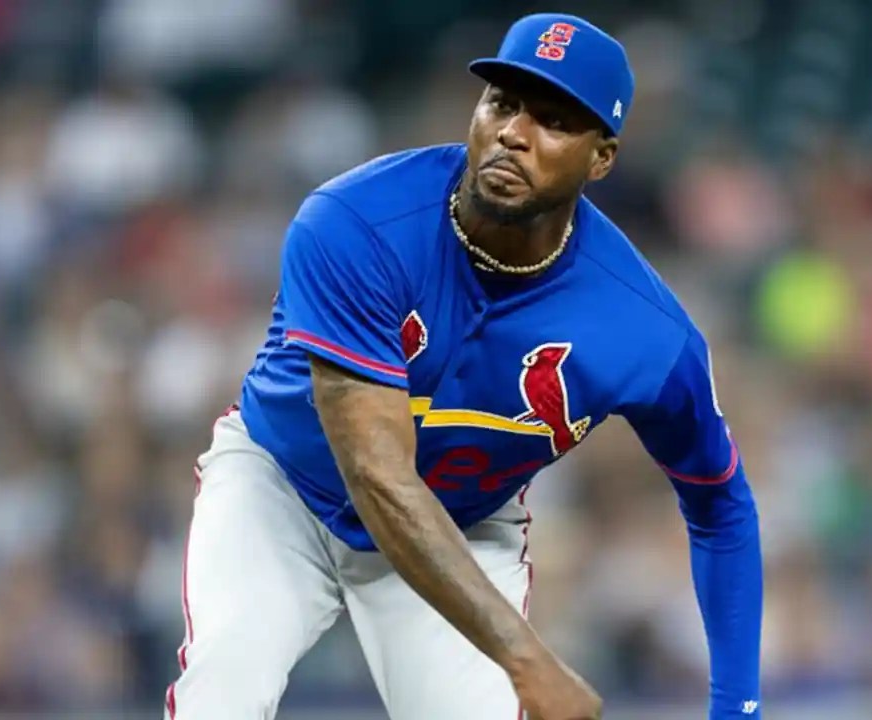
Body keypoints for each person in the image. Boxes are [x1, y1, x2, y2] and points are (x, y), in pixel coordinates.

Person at [165, 13, 763, 720]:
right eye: (503, 103)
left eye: (554, 119)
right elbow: (378, 477)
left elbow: (721, 506)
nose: (514, 131)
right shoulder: (357, 222)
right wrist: (526, 657)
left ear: (602, 158)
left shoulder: (644, 330)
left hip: (461, 525)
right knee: (224, 692)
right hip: (283, 490)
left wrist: (738, 709)